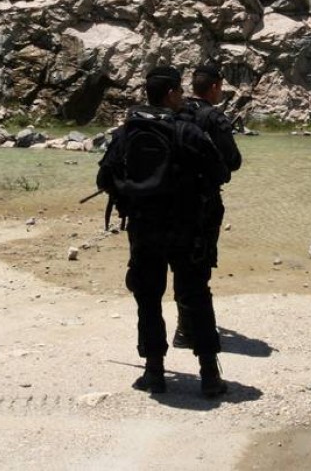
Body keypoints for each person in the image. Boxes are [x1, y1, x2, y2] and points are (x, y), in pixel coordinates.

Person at [96, 66, 230, 397]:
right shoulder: (187, 131)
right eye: (180, 91)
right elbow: (221, 173)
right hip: (187, 228)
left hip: (144, 228)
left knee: (148, 298)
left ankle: (154, 371)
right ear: (170, 93)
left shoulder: (127, 132)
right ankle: (210, 376)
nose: (183, 96)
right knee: (195, 295)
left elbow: (104, 179)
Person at [169, 64, 243, 349]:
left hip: (172, 200)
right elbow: (233, 160)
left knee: (181, 264)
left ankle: (183, 325)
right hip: (204, 201)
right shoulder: (212, 117)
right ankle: (192, 331)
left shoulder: (177, 111)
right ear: (214, 87)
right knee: (199, 267)